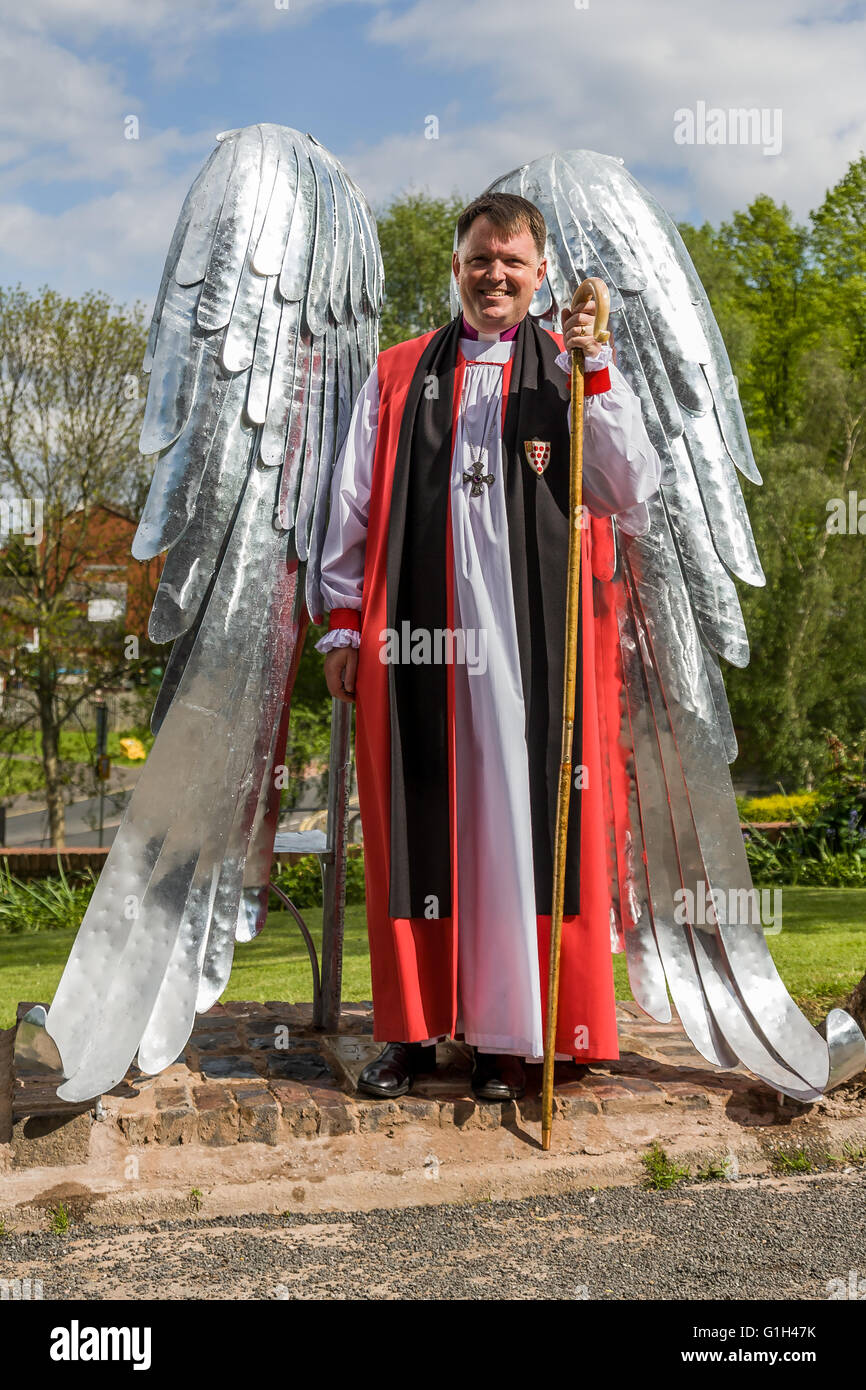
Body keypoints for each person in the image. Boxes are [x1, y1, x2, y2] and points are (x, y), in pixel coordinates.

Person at [316, 192, 662, 1102]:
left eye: (512, 261)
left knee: (519, 828)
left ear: (540, 274)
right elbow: (348, 507)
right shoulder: (397, 376)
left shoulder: (571, 370)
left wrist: (598, 373)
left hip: (529, 653)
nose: (494, 274)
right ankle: (415, 1032)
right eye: (479, 258)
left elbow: (627, 491)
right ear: (458, 266)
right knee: (413, 830)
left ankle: (518, 1035)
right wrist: (343, 623)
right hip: (417, 650)